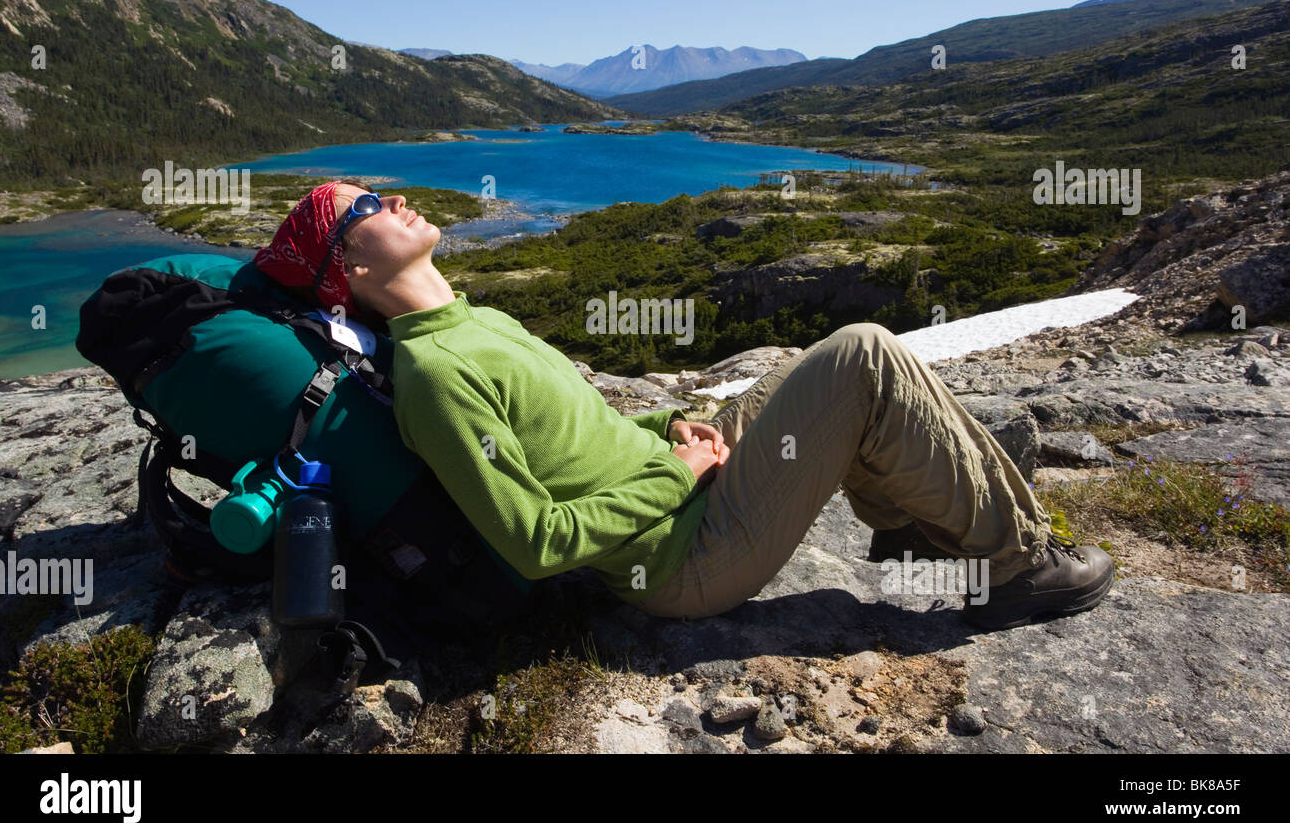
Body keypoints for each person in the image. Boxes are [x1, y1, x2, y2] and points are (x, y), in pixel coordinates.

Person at [254, 179, 1115, 631]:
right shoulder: (436, 376)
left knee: (796, 366)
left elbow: (575, 436)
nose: (393, 198)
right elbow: (533, 538)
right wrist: (676, 473)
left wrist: (664, 427)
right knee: (864, 356)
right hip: (682, 562)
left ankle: (914, 524)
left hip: (683, 489)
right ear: (352, 273)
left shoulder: (473, 318)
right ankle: (1016, 569)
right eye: (363, 208)